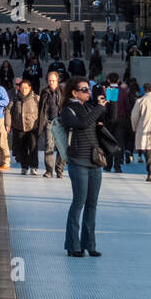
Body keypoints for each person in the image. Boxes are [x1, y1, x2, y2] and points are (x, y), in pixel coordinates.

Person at [60, 79, 107, 257]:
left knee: (92, 203)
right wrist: (98, 109)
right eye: (84, 90)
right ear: (74, 93)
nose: (89, 92)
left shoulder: (90, 107)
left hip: (95, 160)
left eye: (89, 89)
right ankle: (73, 245)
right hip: (78, 160)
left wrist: (102, 107)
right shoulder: (68, 110)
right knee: (79, 202)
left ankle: (90, 244)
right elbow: (81, 124)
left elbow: (96, 123)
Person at [11, 78, 41, 174]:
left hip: (33, 127)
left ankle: (33, 166)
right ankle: (24, 167)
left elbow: (42, 112)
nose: (24, 90)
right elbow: (8, 110)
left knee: (33, 147)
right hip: (19, 127)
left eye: (26, 88)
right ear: (19, 88)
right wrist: (8, 123)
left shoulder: (36, 98)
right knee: (22, 148)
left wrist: (41, 124)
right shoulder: (15, 98)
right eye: (22, 88)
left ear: (30, 88)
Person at [40, 70, 65, 178]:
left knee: (61, 148)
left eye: (53, 81)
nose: (51, 83)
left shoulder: (63, 91)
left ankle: (59, 170)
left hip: (61, 122)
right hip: (49, 122)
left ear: (57, 80)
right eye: (49, 81)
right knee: (49, 146)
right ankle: (49, 170)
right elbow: (41, 108)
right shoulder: (45, 92)